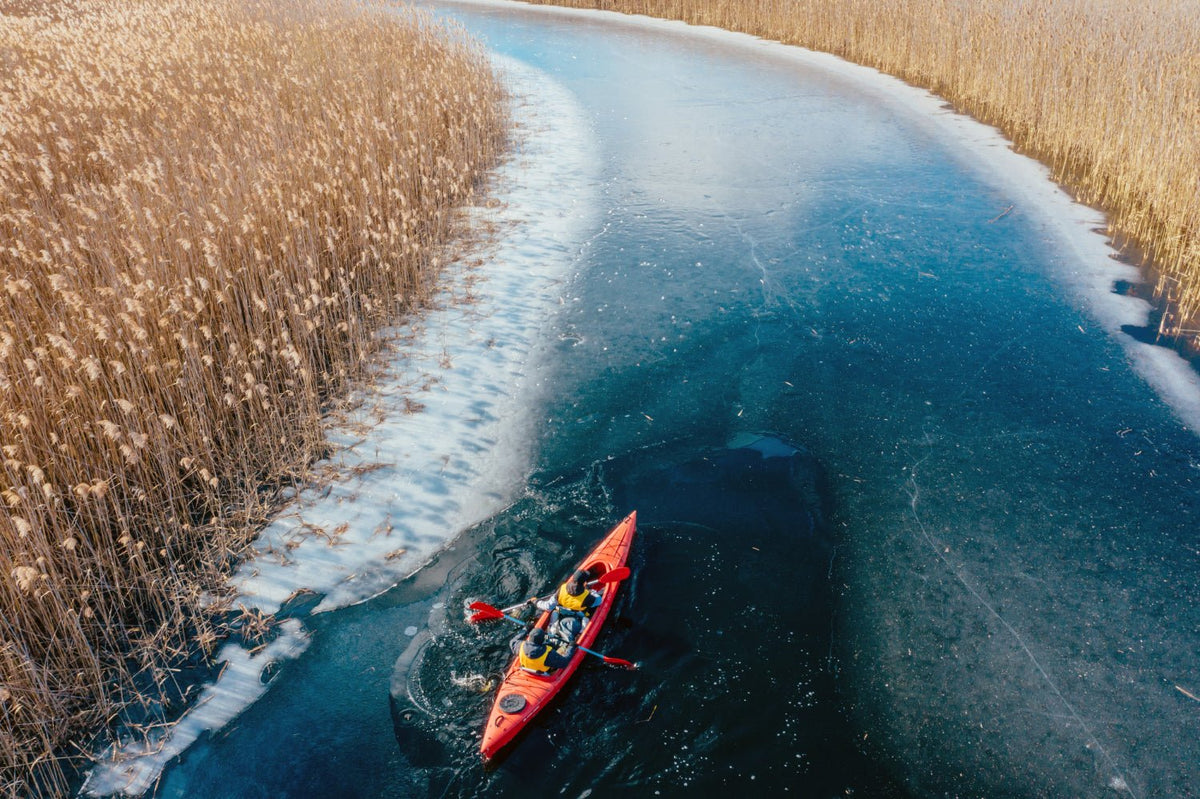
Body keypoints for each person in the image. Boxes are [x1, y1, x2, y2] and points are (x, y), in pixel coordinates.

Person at [535, 569, 600, 643]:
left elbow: (548, 606)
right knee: (586, 619)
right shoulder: (587, 597)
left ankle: (551, 635)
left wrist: (536, 602)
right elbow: (598, 601)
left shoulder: (562, 588)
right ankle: (579, 634)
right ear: (584, 582)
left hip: (562, 612)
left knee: (555, 612)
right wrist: (591, 591)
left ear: (573, 579)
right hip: (578, 615)